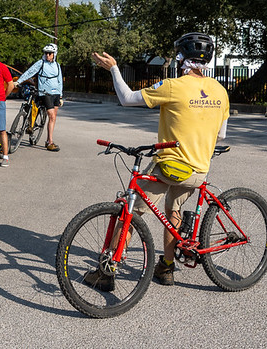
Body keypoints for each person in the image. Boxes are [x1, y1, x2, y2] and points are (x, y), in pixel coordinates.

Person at [91, 32, 229, 287]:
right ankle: (166, 267)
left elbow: (126, 98)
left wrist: (114, 69)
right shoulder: (221, 91)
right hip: (200, 169)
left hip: (171, 165)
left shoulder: (173, 86)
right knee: (173, 209)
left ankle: (106, 272)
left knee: (130, 211)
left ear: (181, 59)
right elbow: (220, 135)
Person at [15, 43, 63, 151]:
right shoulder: (41, 63)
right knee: (51, 115)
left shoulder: (57, 65)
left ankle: (48, 141)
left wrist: (60, 96)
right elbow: (30, 72)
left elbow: (59, 81)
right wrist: (18, 81)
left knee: (53, 117)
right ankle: (49, 141)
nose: (47, 55)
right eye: (46, 53)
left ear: (54, 54)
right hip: (45, 93)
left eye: (49, 53)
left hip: (56, 94)